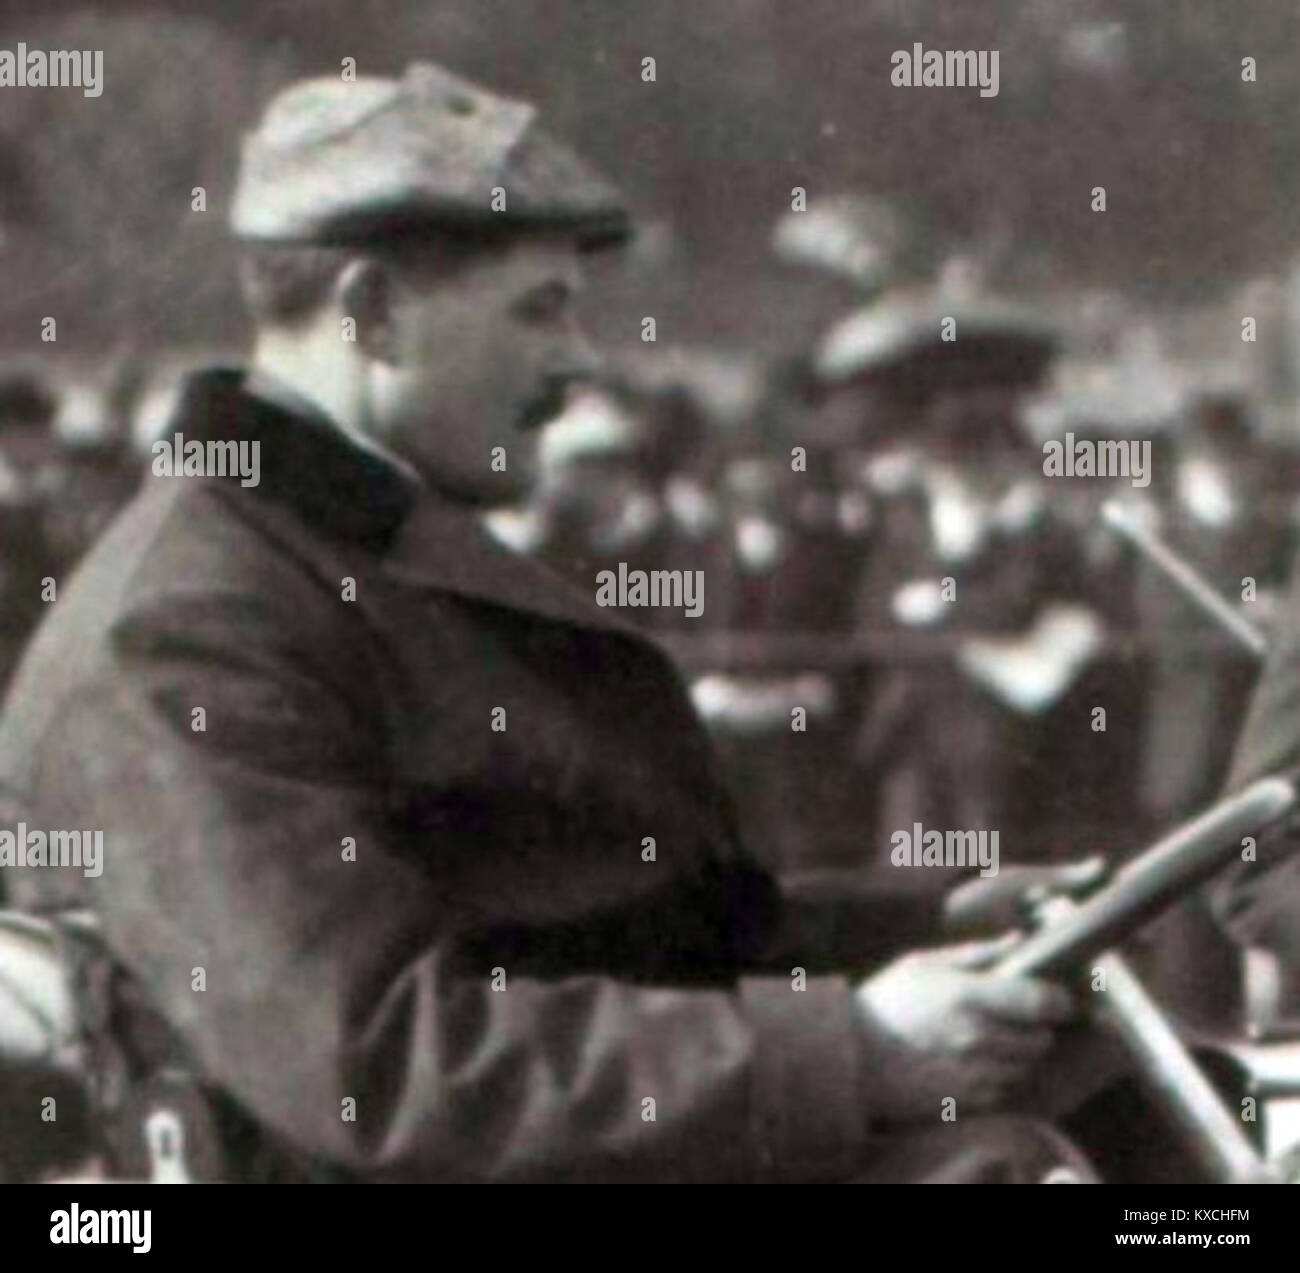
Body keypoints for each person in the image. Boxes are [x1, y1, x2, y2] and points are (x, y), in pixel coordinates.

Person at [0, 62, 1092, 1183]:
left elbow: (602, 933)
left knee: (1099, 1115)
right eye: (540, 308)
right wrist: (846, 1050)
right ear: (371, 312)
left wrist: (924, 923)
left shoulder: (337, 561)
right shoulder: (187, 626)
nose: (580, 359)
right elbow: (378, 1064)